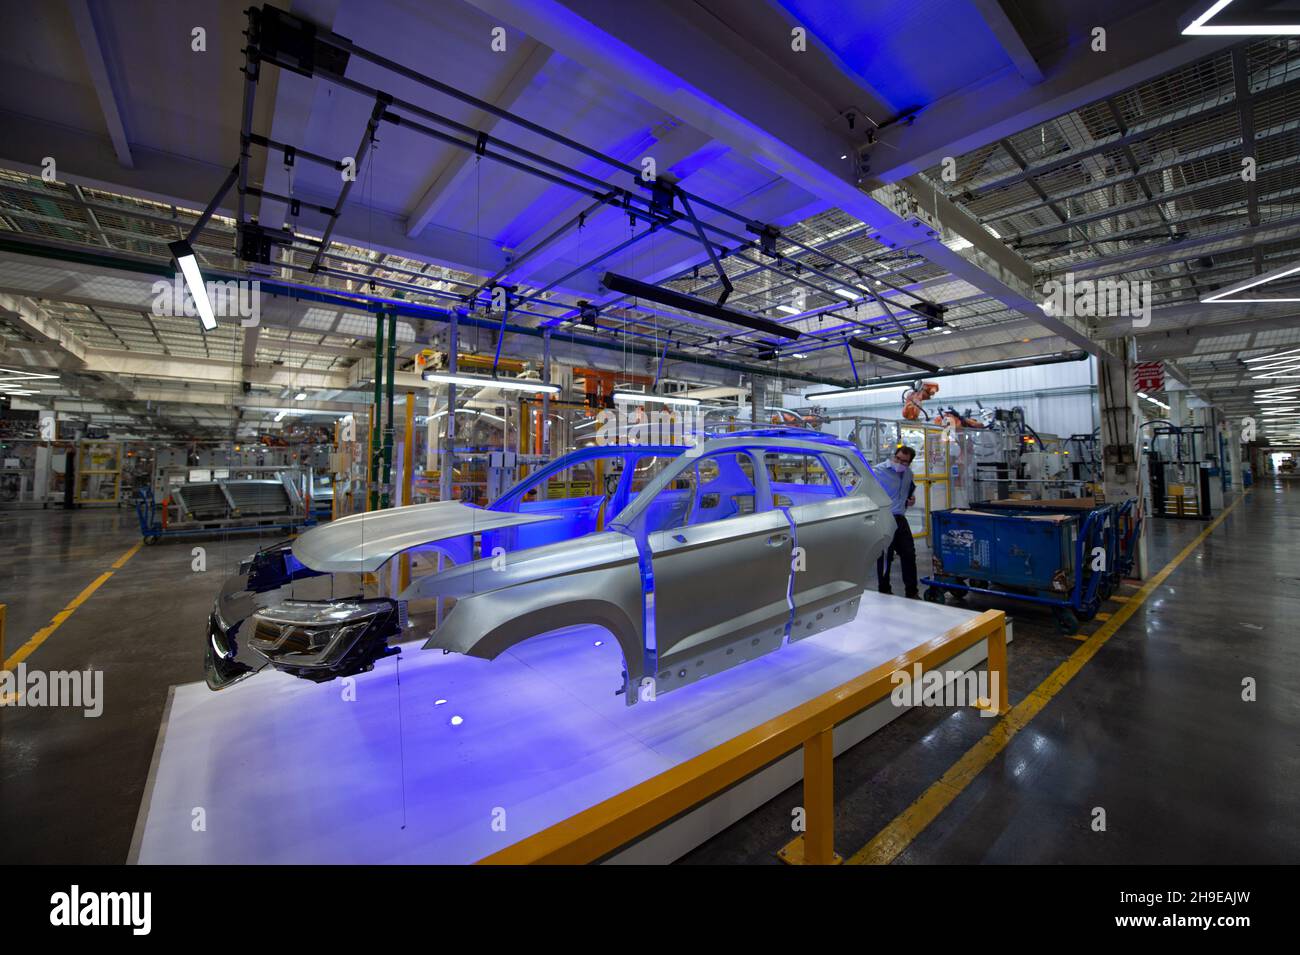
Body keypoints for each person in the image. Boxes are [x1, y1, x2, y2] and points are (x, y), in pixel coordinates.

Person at [875, 445, 918, 598]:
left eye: (904, 461)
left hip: (900, 518)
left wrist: (910, 500)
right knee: (886, 557)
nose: (899, 462)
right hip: (884, 517)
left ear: (909, 463)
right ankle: (884, 590)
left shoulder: (908, 474)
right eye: (897, 458)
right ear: (894, 455)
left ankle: (912, 591)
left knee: (909, 554)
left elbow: (908, 492)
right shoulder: (878, 471)